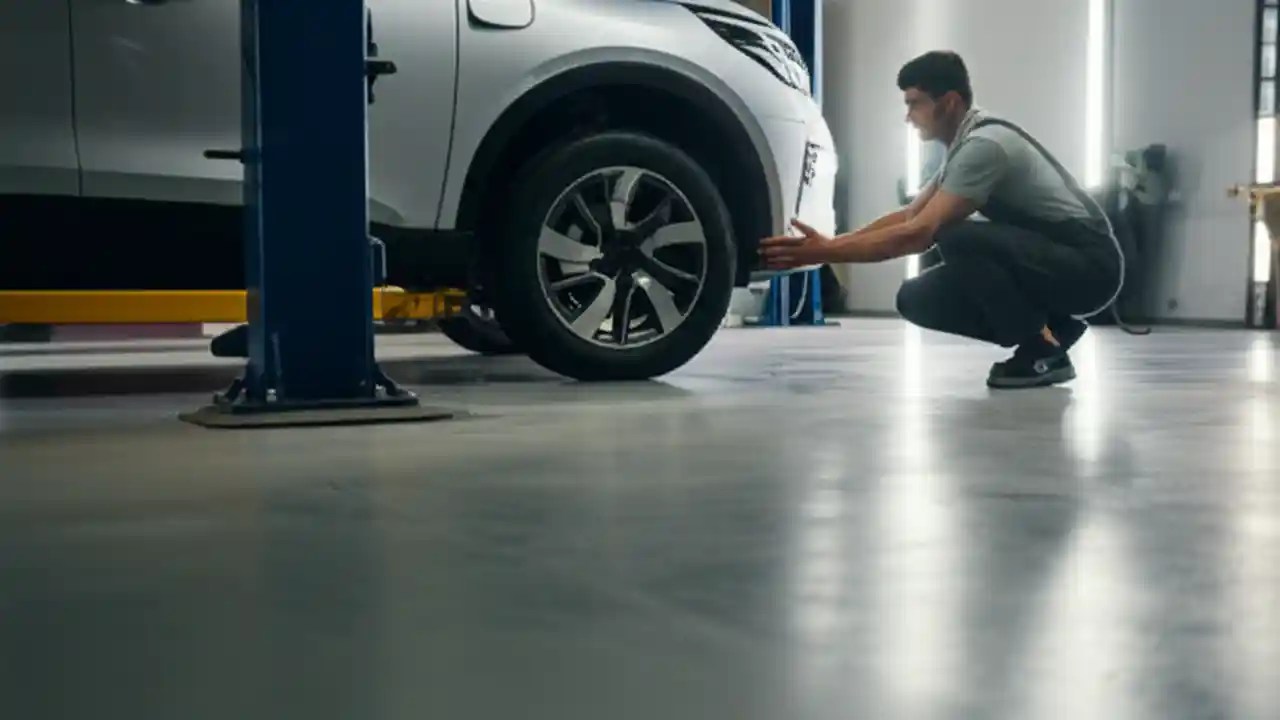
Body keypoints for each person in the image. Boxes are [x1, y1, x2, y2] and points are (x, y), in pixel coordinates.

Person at [760, 50, 1124, 389]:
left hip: (1090, 267)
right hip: (1056, 263)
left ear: (949, 102)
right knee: (917, 297)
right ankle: (1054, 332)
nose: (908, 116)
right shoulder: (964, 144)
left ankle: (1041, 351)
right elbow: (910, 214)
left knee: (956, 236)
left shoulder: (985, 146)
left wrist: (825, 253)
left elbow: (917, 233)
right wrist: (829, 245)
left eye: (914, 104)